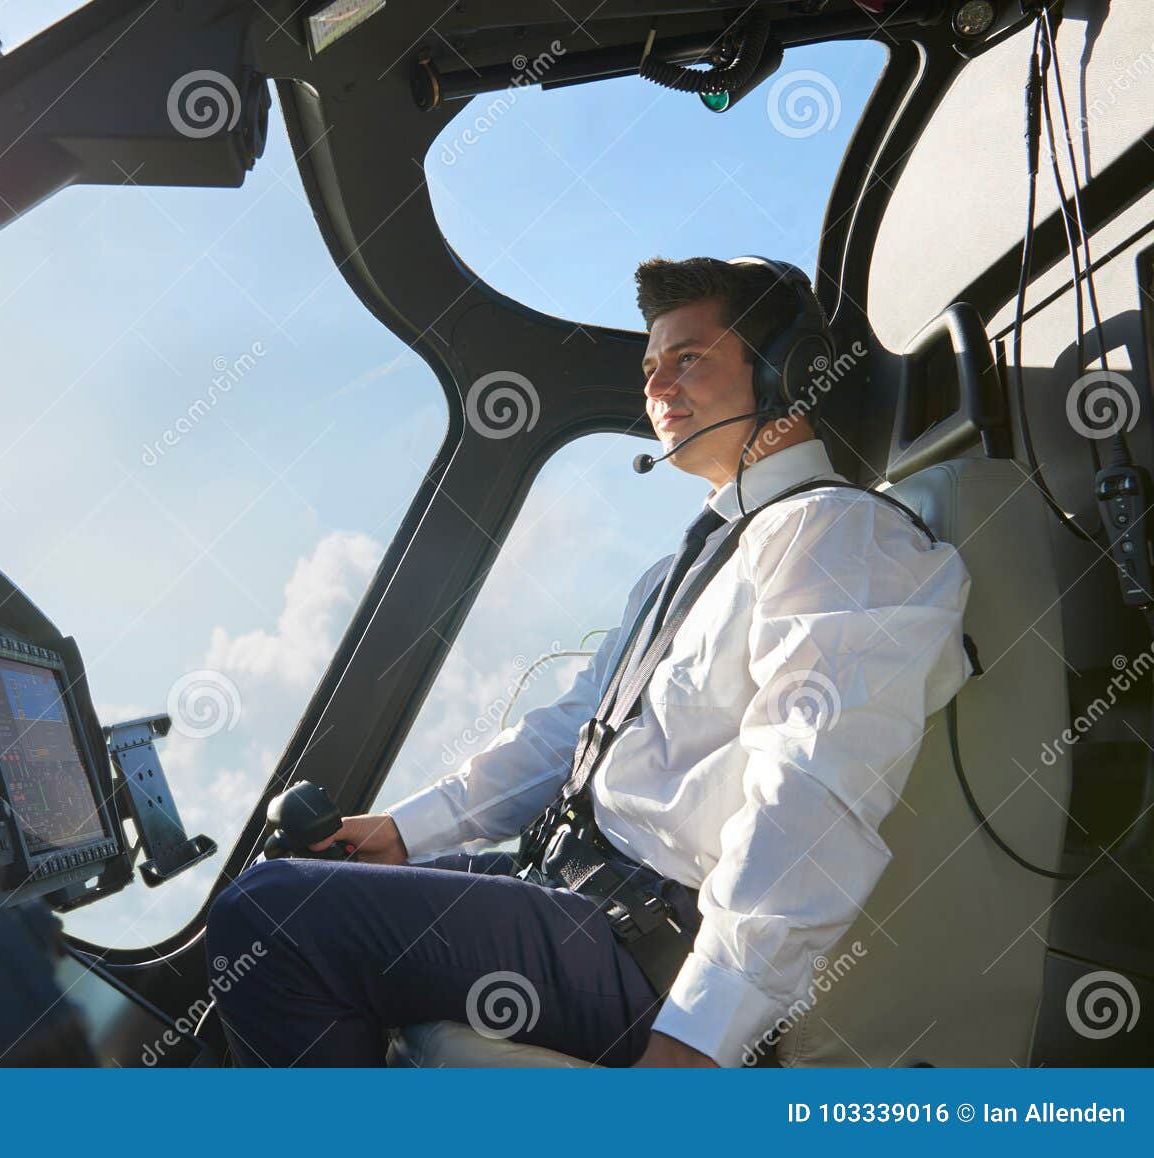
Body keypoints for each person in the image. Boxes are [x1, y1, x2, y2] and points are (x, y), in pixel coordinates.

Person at [203, 256, 972, 1067]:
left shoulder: (840, 538)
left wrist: (697, 1037)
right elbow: (567, 733)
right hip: (568, 886)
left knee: (272, 918)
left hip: (649, 948)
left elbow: (813, 796)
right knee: (299, 887)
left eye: (687, 359)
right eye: (649, 369)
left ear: (791, 370)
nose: (658, 389)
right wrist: (405, 831)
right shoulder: (684, 569)